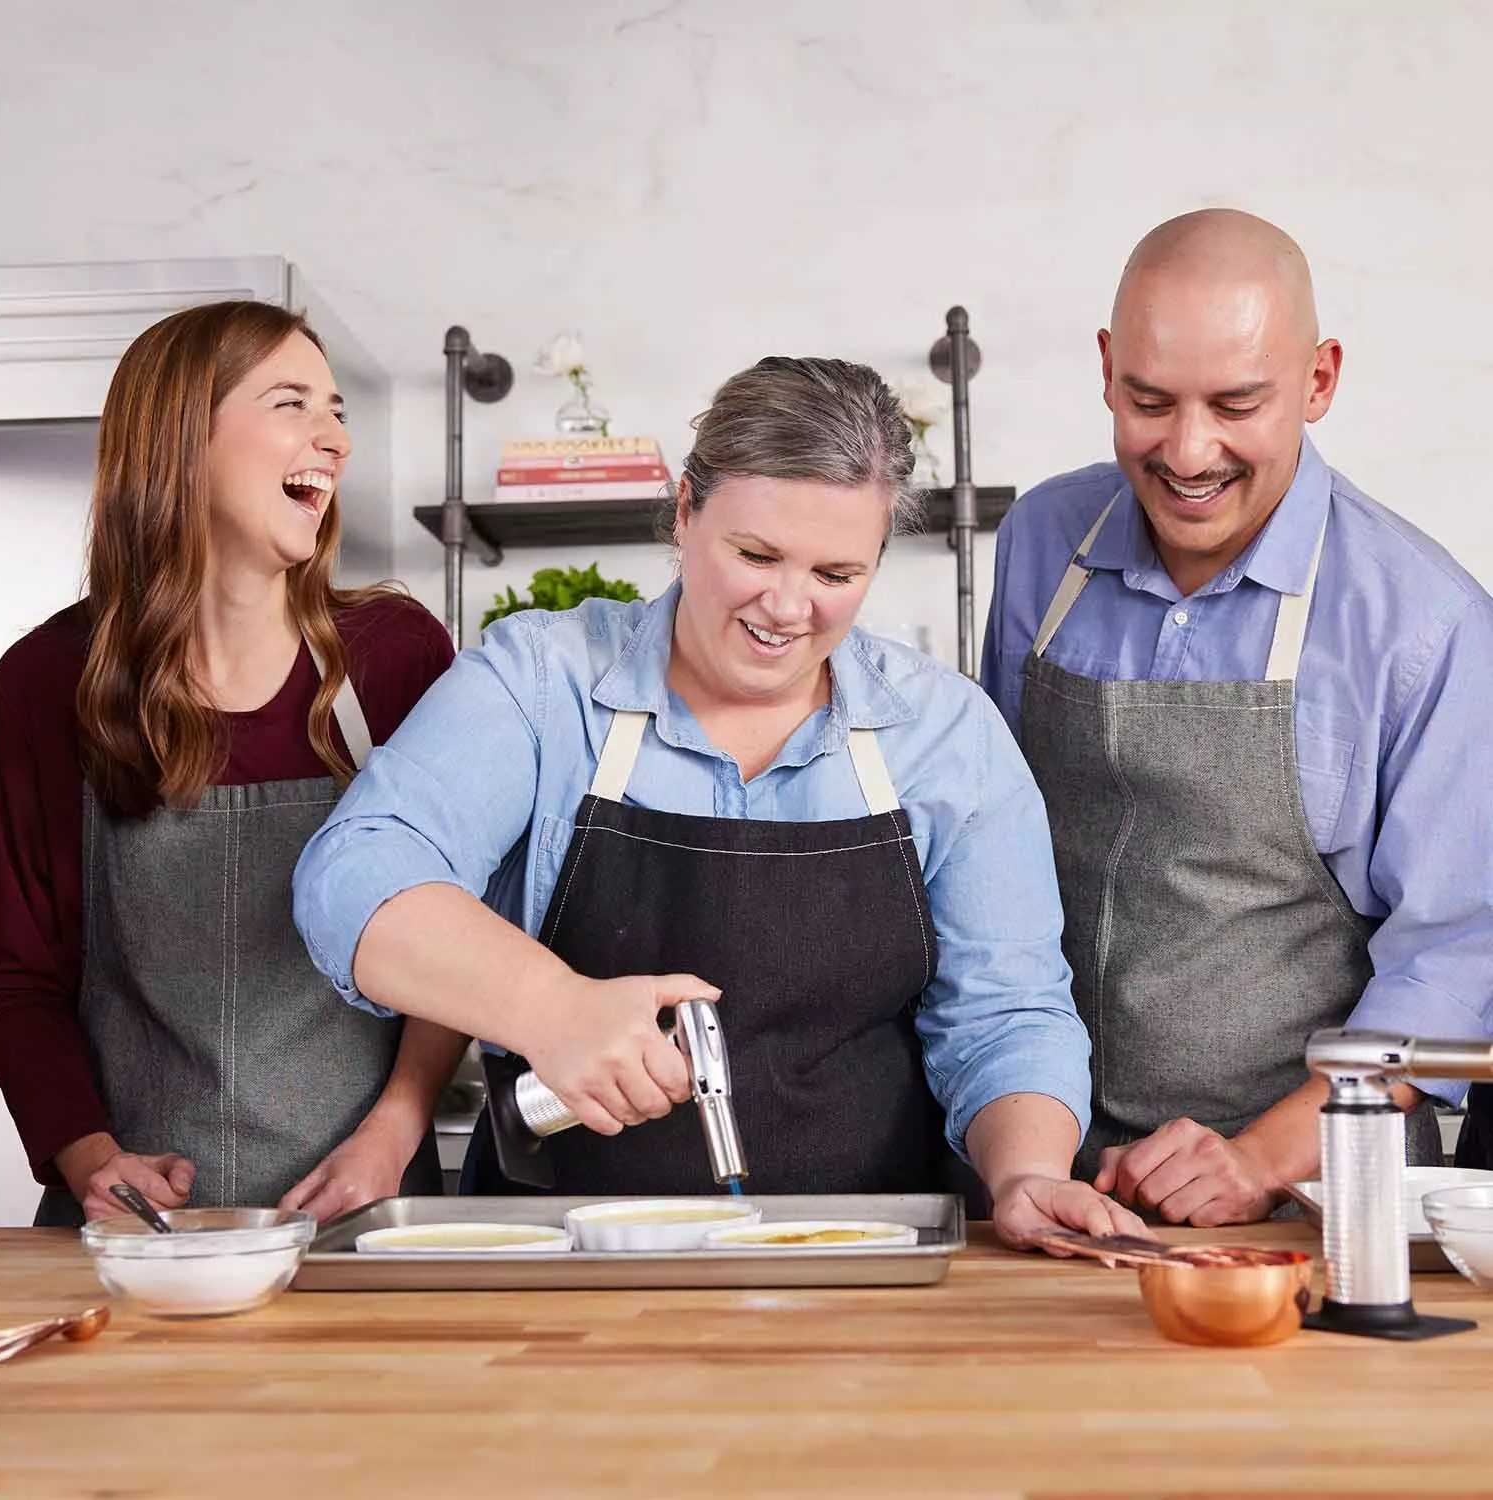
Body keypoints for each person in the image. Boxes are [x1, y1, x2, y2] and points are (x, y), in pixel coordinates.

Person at [294, 356, 1145, 1250]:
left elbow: (1005, 1010)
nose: (788, 606)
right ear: (683, 512)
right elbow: (353, 873)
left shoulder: (943, 732)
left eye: (836, 573)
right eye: (755, 554)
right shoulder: (543, 681)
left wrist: (1029, 1173)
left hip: (863, 1259)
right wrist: (552, 1008)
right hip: (565, 1267)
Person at [982, 209, 1493, 1226]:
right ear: (1105, 368)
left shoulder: (1426, 625)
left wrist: (1256, 1160)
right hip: (1039, 1182)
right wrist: (1019, 1149)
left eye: (1236, 402)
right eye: (1149, 400)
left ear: (1319, 381)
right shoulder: (1043, 542)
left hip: (1312, 1202)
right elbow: (988, 855)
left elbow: (1457, 967)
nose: (1187, 449)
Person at [0, 300, 467, 1226]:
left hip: (369, 1215)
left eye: (338, 412)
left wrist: (394, 1132)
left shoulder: (395, 657)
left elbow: (460, 929)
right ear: (181, 441)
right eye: (293, 404)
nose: (334, 439)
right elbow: (13, 975)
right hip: (134, 1232)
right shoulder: (46, 683)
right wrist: (95, 1163)